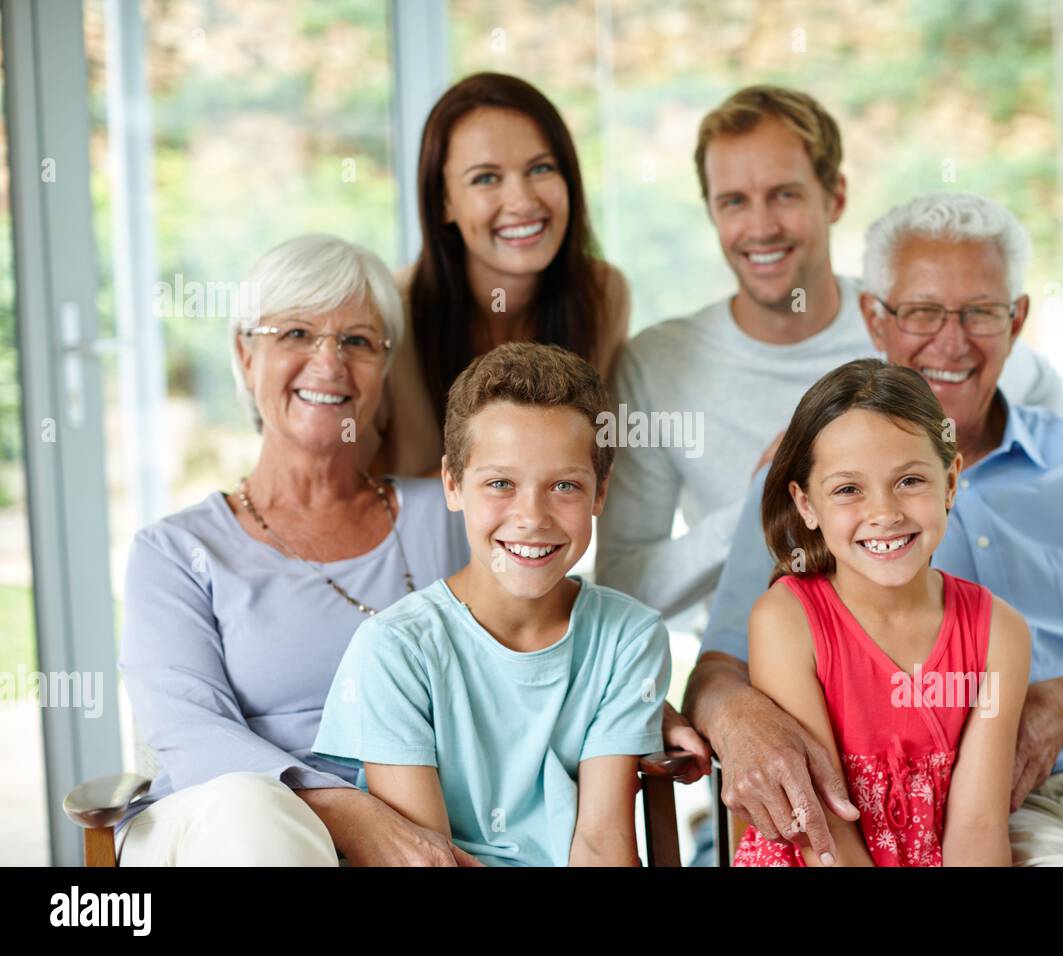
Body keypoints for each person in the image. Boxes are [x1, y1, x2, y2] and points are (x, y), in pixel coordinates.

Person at [685, 192, 1063, 866]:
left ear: (1018, 320)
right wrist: (740, 724)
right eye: (922, 311)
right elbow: (719, 669)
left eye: (980, 311)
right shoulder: (804, 483)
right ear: (874, 318)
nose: (952, 342)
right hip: (952, 810)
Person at [595, 85, 1063, 623]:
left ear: (836, 197)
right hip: (756, 669)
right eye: (734, 201)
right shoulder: (659, 363)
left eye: (785, 195)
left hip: (930, 649)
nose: (760, 227)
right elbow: (624, 587)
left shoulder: (910, 324)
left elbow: (1050, 438)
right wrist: (760, 505)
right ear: (711, 211)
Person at [117, 234, 470, 866]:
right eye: (296, 333)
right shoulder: (175, 552)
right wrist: (353, 815)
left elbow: (545, 634)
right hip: (225, 824)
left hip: (419, 824)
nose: (329, 362)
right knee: (254, 814)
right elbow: (190, 732)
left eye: (358, 341)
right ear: (245, 354)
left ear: (383, 372)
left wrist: (628, 699)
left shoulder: (448, 513)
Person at [313, 342, 671, 866]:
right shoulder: (395, 650)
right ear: (453, 485)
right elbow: (425, 858)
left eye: (565, 486)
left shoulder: (629, 637)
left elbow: (603, 842)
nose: (532, 516)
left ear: (600, 493)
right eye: (500, 483)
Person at [732, 359, 1029, 866]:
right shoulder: (785, 620)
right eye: (848, 489)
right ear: (806, 505)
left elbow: (978, 825)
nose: (885, 513)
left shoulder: (999, 632)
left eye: (910, 480)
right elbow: (825, 829)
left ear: (951, 481)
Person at [368, 72, 630, 478]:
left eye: (541, 168)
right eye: (486, 178)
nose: (522, 201)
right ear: (444, 203)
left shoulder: (602, 294)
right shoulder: (388, 315)